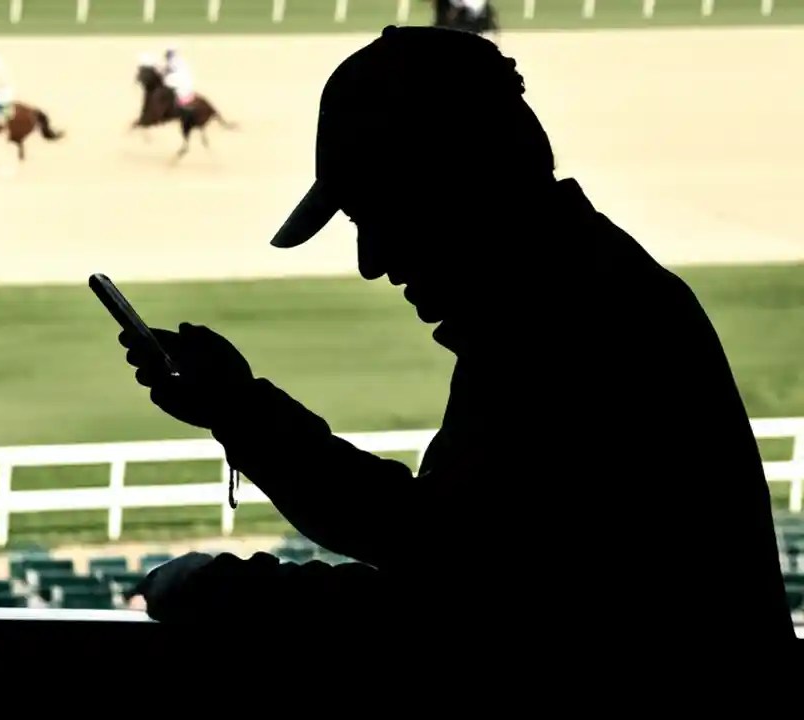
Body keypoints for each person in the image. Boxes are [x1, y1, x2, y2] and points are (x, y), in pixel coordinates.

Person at [116, 26, 794, 640]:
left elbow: (451, 592)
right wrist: (241, 411)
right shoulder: (587, 295)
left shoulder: (568, 332)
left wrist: (219, 588)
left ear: (452, 185)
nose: (370, 262)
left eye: (374, 215)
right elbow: (437, 541)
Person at [158, 44, 195, 112]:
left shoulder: (174, 60)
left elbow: (168, 70)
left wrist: (161, 72)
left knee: (166, 82)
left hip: (181, 80)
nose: (167, 55)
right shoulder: (176, 60)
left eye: (168, 53)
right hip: (182, 79)